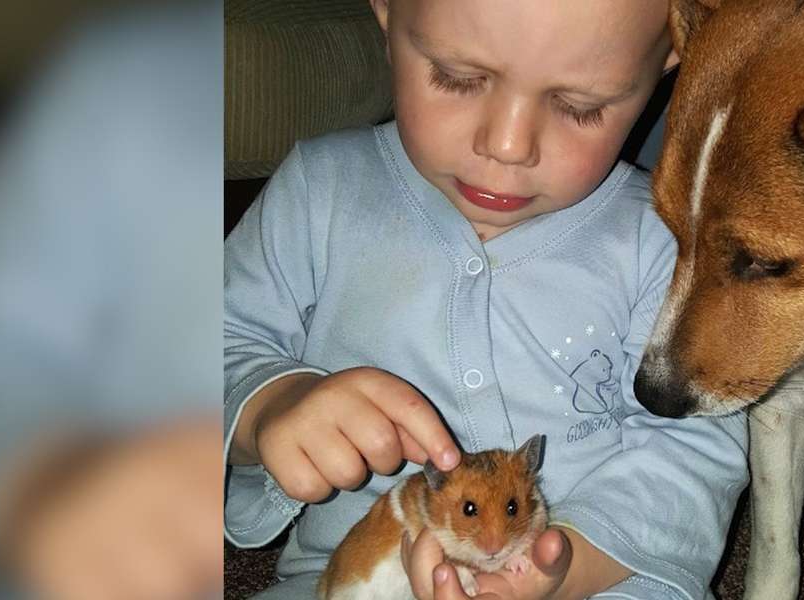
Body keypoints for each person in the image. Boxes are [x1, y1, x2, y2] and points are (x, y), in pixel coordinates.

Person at [224, 1, 748, 598]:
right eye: (458, 76)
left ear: (672, 56)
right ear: (388, 11)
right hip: (353, 575)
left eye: (581, 107)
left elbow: (695, 443)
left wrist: (568, 567)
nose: (506, 145)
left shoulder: (663, 237)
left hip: (598, 579)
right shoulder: (318, 191)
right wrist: (269, 402)